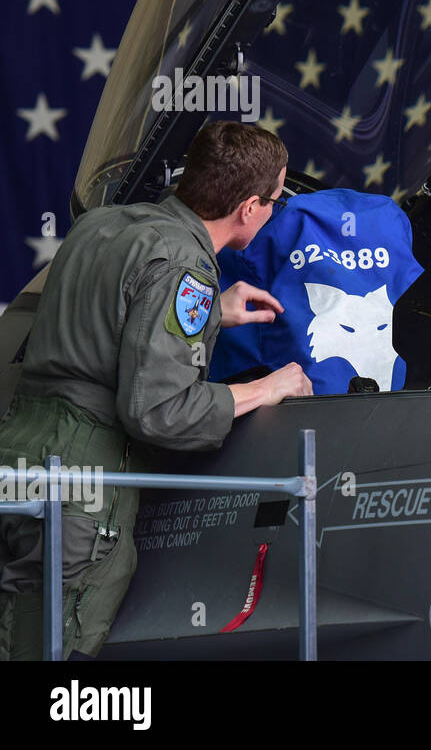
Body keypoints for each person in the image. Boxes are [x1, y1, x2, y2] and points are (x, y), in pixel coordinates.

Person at [0, 121, 314, 660]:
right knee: (53, 645)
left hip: (20, 455)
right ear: (248, 208)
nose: (272, 212)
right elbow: (160, 412)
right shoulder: (186, 265)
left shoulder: (100, 224)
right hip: (84, 485)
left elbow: (106, 321)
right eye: (275, 201)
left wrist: (211, 313)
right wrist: (265, 389)